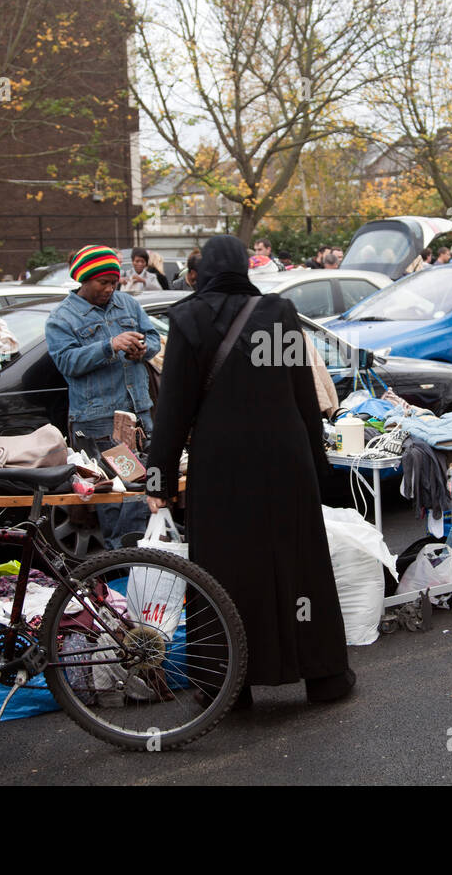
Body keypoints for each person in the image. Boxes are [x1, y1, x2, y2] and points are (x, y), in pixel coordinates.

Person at [146, 236, 354, 706]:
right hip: (284, 459)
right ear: (244, 267)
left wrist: (157, 479)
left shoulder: (187, 318)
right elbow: (303, 394)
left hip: (222, 466)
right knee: (298, 566)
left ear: (202, 271)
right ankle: (325, 677)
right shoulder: (277, 314)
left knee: (226, 571)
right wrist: (318, 467)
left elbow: (174, 409)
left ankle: (229, 685)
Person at [45, 245, 160, 549]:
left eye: (114, 283)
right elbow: (67, 362)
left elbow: (152, 338)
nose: (110, 289)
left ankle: (140, 566)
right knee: (122, 497)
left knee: (144, 492)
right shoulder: (62, 318)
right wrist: (110, 345)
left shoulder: (128, 304)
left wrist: (142, 349)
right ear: (84, 279)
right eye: (103, 283)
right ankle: (123, 570)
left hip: (140, 414)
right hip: (102, 425)